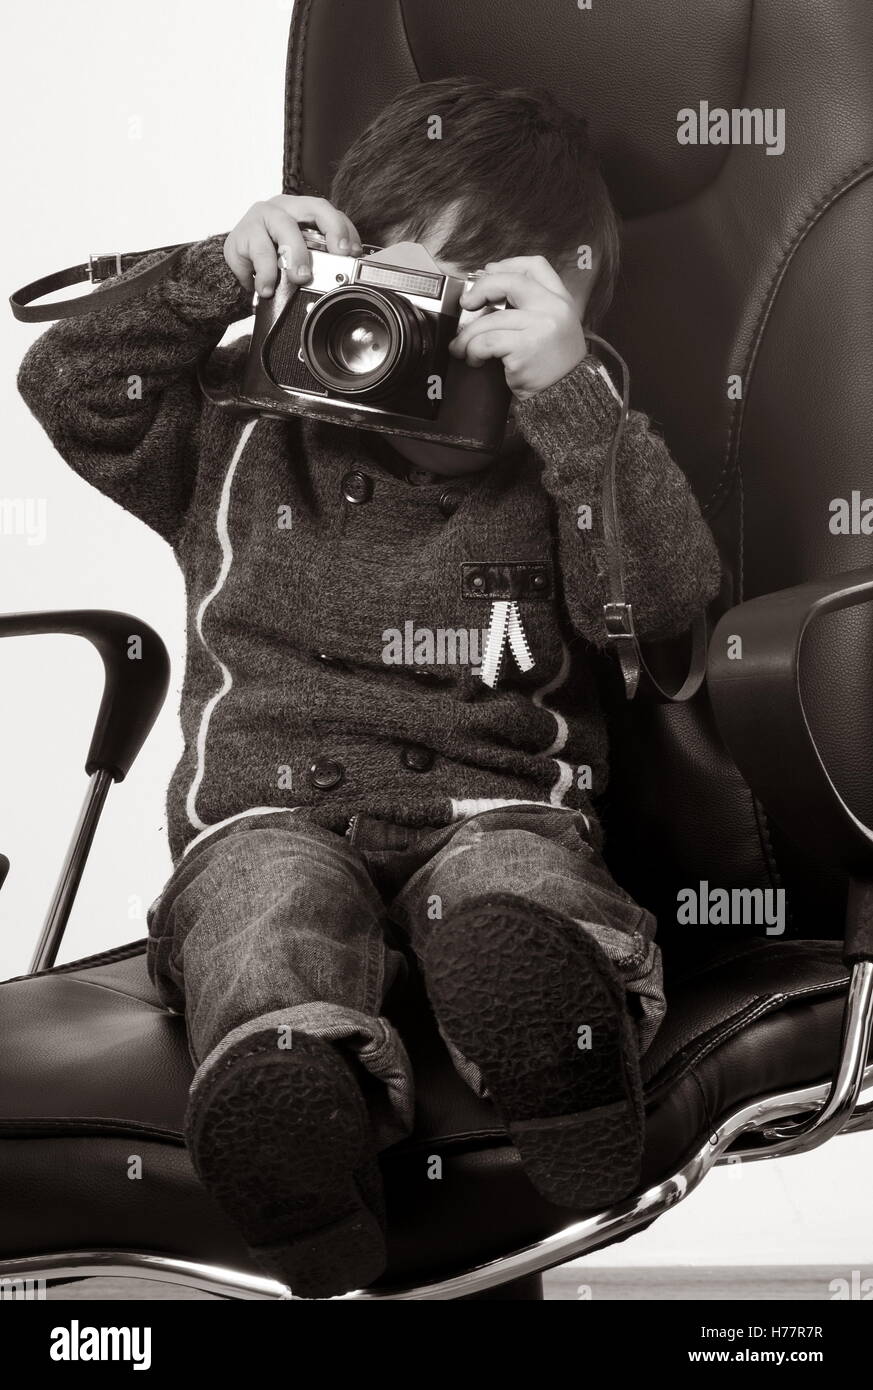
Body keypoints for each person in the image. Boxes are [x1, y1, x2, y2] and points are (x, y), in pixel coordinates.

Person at [18, 77, 722, 1298]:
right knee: (265, 909)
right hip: (271, 818)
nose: (395, 347)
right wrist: (215, 276)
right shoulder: (247, 420)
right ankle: (295, 1131)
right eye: (381, 299)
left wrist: (566, 397)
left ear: (545, 304)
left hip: (490, 814)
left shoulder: (565, 445)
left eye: (456, 311)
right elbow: (70, 388)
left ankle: (565, 1062)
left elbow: (662, 612)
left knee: (514, 884)